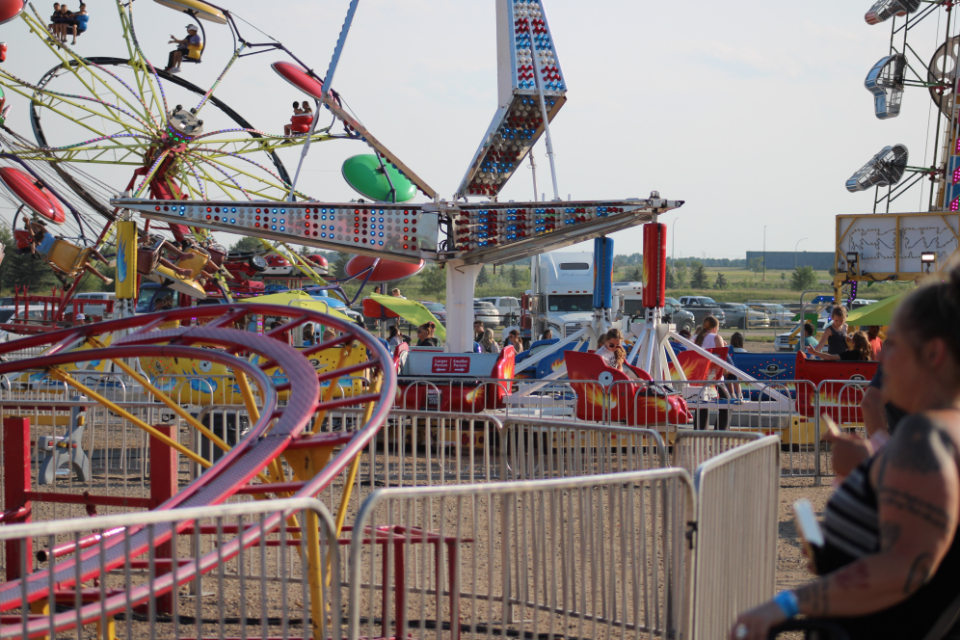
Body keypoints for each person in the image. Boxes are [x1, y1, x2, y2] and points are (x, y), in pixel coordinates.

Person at [731, 264, 960, 640]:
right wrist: (868, 472)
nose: (881, 359)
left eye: (895, 345)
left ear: (934, 353)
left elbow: (906, 566)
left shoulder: (923, 436)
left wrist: (787, 603)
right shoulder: (939, 434)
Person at [808, 330, 873, 362]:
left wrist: (814, 352)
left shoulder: (849, 354)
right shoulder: (866, 357)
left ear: (853, 342)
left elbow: (830, 357)